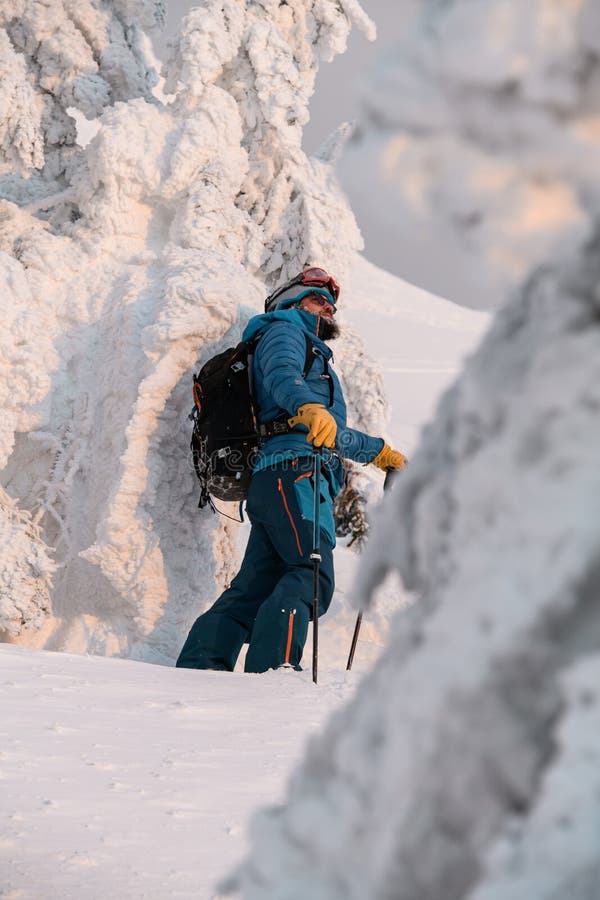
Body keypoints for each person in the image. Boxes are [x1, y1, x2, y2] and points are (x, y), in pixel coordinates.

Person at [176, 267, 406, 673]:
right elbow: (284, 379)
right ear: (291, 301)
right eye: (318, 299)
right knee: (311, 574)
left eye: (332, 305)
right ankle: (274, 672)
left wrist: (381, 453)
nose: (328, 309)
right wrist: (306, 404)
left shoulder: (308, 348)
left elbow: (324, 431)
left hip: (281, 474)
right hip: (297, 472)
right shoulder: (286, 331)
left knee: (256, 585)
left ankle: (201, 665)